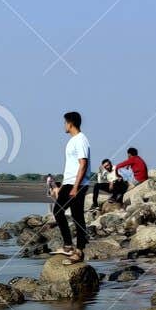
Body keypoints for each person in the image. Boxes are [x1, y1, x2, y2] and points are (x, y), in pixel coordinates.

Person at [53, 111, 90, 262]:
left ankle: (79, 251)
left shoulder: (81, 139)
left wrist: (75, 187)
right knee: (58, 211)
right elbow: (71, 166)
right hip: (69, 183)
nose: (64, 125)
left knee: (77, 217)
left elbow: (83, 164)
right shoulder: (73, 140)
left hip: (77, 184)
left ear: (70, 123)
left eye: (65, 122)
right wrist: (62, 186)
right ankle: (68, 245)